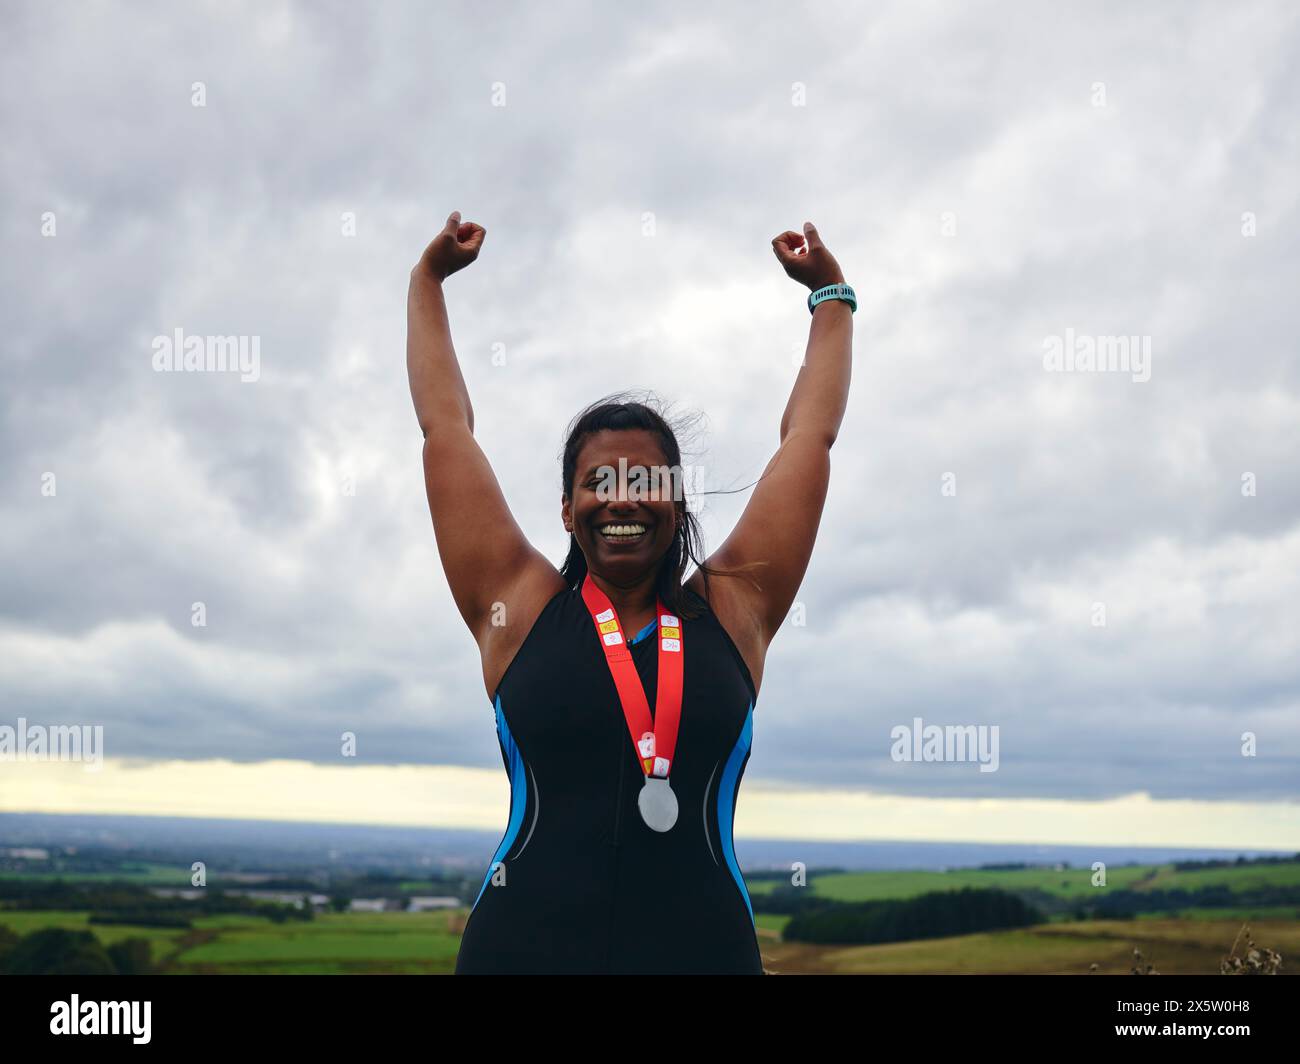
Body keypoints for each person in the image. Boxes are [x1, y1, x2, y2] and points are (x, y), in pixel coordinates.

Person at [406, 211, 855, 974]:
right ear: (565, 505)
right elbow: (445, 428)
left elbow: (807, 440)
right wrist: (427, 283)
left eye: (646, 480)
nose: (622, 498)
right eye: (597, 482)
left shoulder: (734, 610)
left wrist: (831, 297)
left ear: (677, 502)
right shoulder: (516, 607)